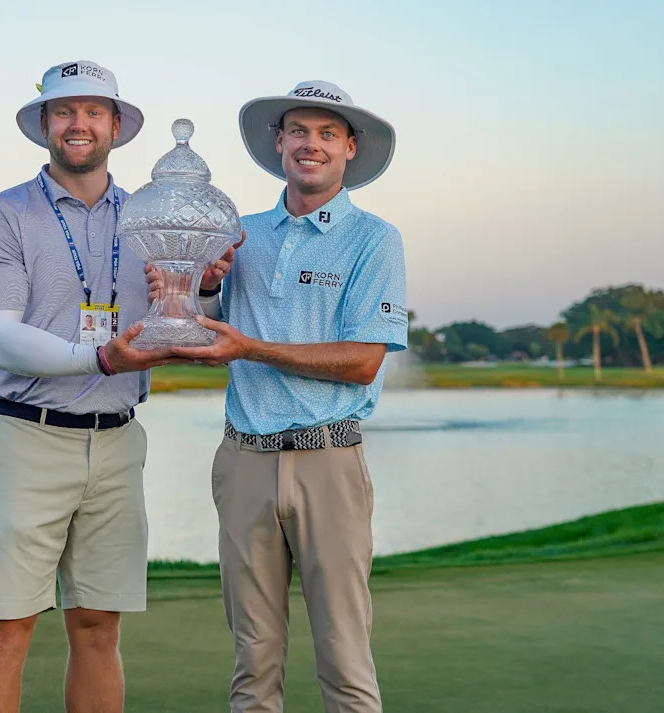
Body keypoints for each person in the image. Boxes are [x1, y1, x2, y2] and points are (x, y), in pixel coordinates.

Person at [174, 80, 408, 712]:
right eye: (299, 131)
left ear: (349, 148)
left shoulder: (373, 239)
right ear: (278, 142)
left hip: (327, 462)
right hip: (243, 460)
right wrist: (201, 287)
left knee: (345, 663)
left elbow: (362, 362)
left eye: (327, 133)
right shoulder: (239, 233)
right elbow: (202, 332)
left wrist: (249, 347)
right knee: (253, 666)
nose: (312, 144)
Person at [0, 60, 175, 713]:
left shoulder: (150, 219)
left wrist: (207, 287)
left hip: (117, 444)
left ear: (115, 125)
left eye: (92, 112)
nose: (78, 124)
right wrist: (99, 359)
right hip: (27, 434)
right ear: (46, 125)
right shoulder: (1, 216)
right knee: (6, 633)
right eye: (64, 112)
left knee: (99, 630)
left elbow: (188, 317)